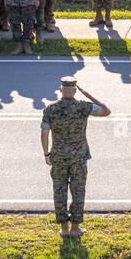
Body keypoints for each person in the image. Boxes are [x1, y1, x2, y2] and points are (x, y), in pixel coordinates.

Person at [41, 77, 111, 239]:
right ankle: (75, 228)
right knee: (78, 191)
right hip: (79, 156)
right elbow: (106, 111)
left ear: (60, 89)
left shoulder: (50, 109)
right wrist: (88, 95)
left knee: (59, 191)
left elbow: (44, 132)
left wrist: (46, 153)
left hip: (58, 156)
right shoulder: (83, 107)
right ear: (74, 90)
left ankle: (64, 228)